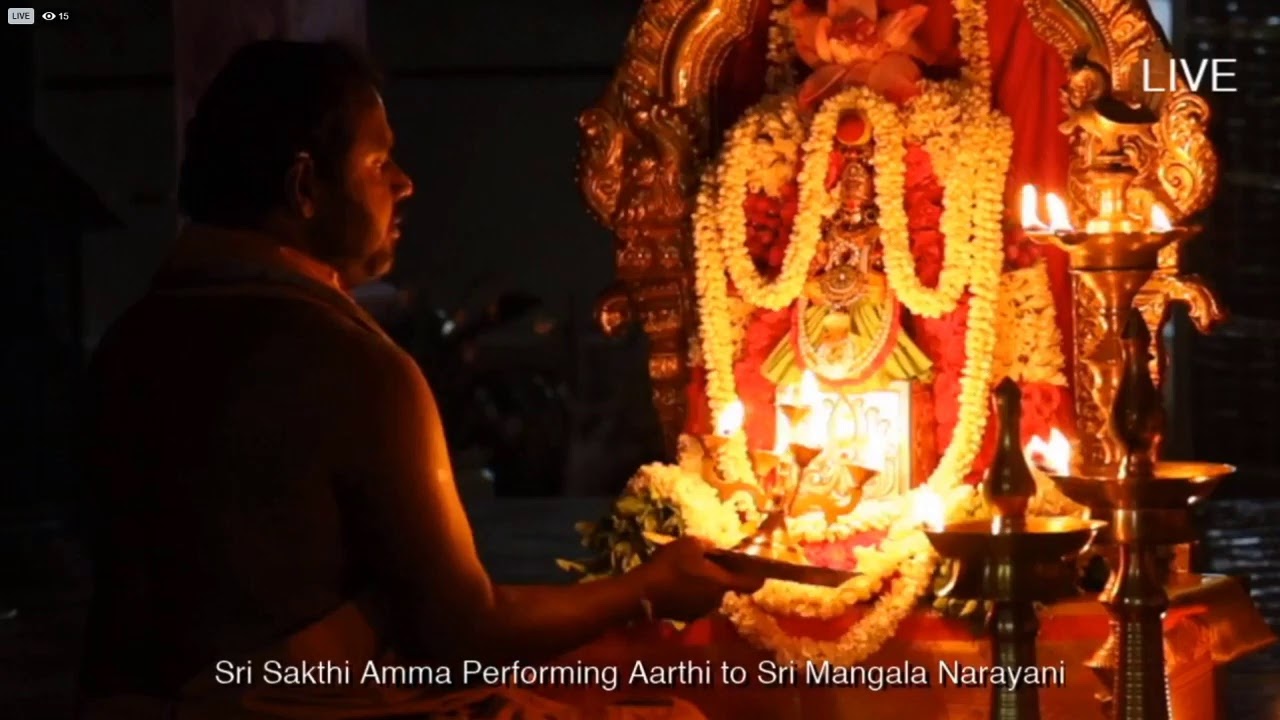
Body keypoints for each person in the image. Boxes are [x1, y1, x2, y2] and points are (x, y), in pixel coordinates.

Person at [78, 40, 761, 719]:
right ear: (305, 187)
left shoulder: (128, 343)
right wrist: (649, 587)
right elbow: (465, 634)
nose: (404, 183)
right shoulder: (345, 361)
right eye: (379, 163)